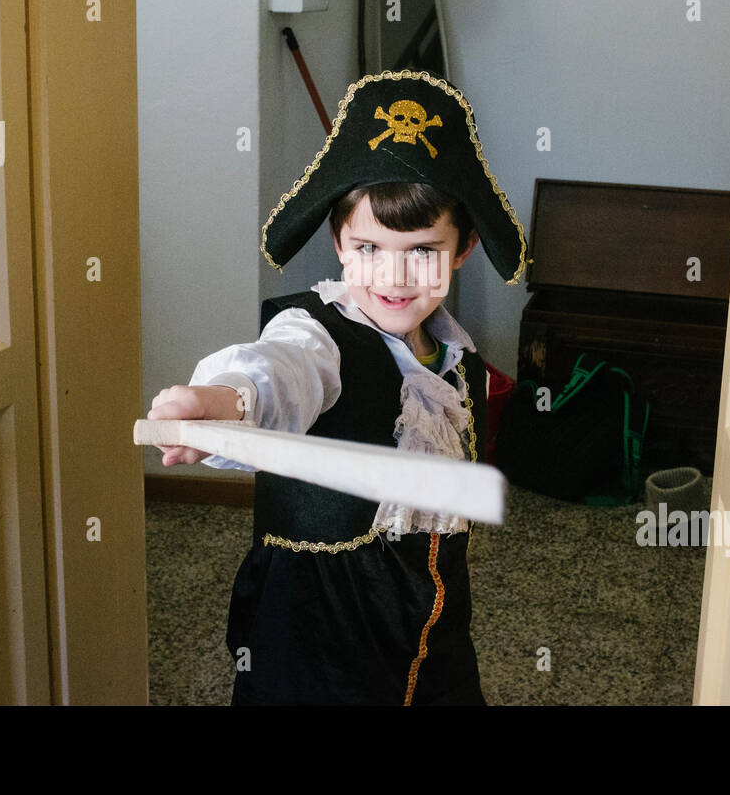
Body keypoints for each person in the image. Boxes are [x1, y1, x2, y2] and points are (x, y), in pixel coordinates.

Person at [146, 70, 530, 705]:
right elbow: (282, 370)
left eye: (423, 250)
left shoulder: (455, 361)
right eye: (369, 247)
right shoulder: (317, 333)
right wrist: (221, 400)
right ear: (338, 244)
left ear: (462, 248)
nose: (395, 276)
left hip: (433, 624)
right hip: (321, 624)